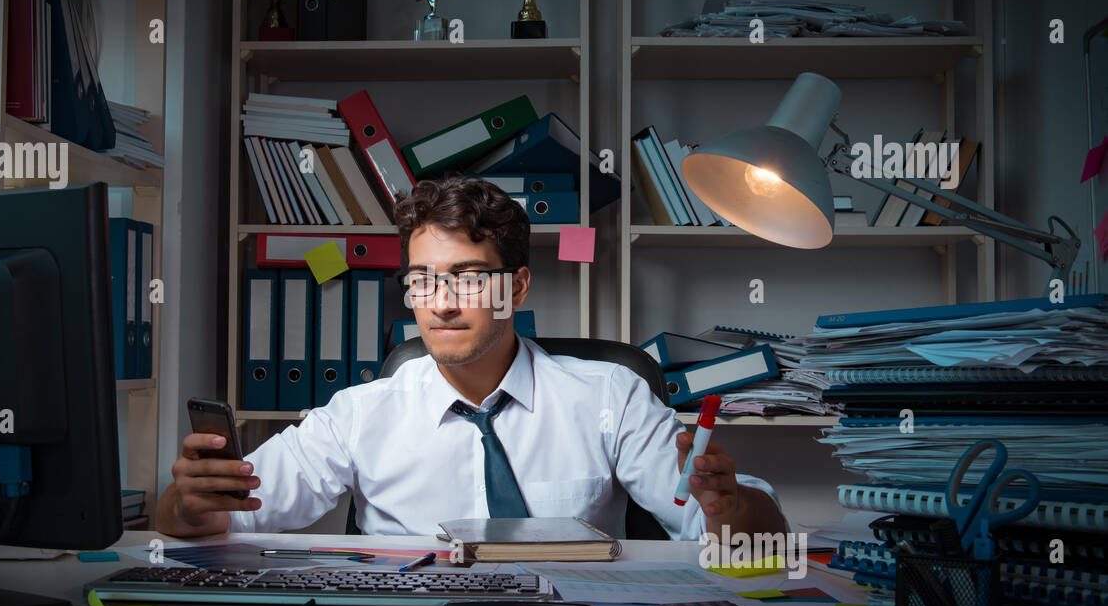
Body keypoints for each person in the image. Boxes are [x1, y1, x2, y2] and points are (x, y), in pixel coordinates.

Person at [155, 178, 787, 541]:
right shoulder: (358, 415)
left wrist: (730, 508)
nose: (442, 303)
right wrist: (188, 504)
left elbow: (750, 535)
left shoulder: (610, 398)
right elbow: (206, 522)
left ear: (517, 287)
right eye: (423, 280)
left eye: (469, 277)